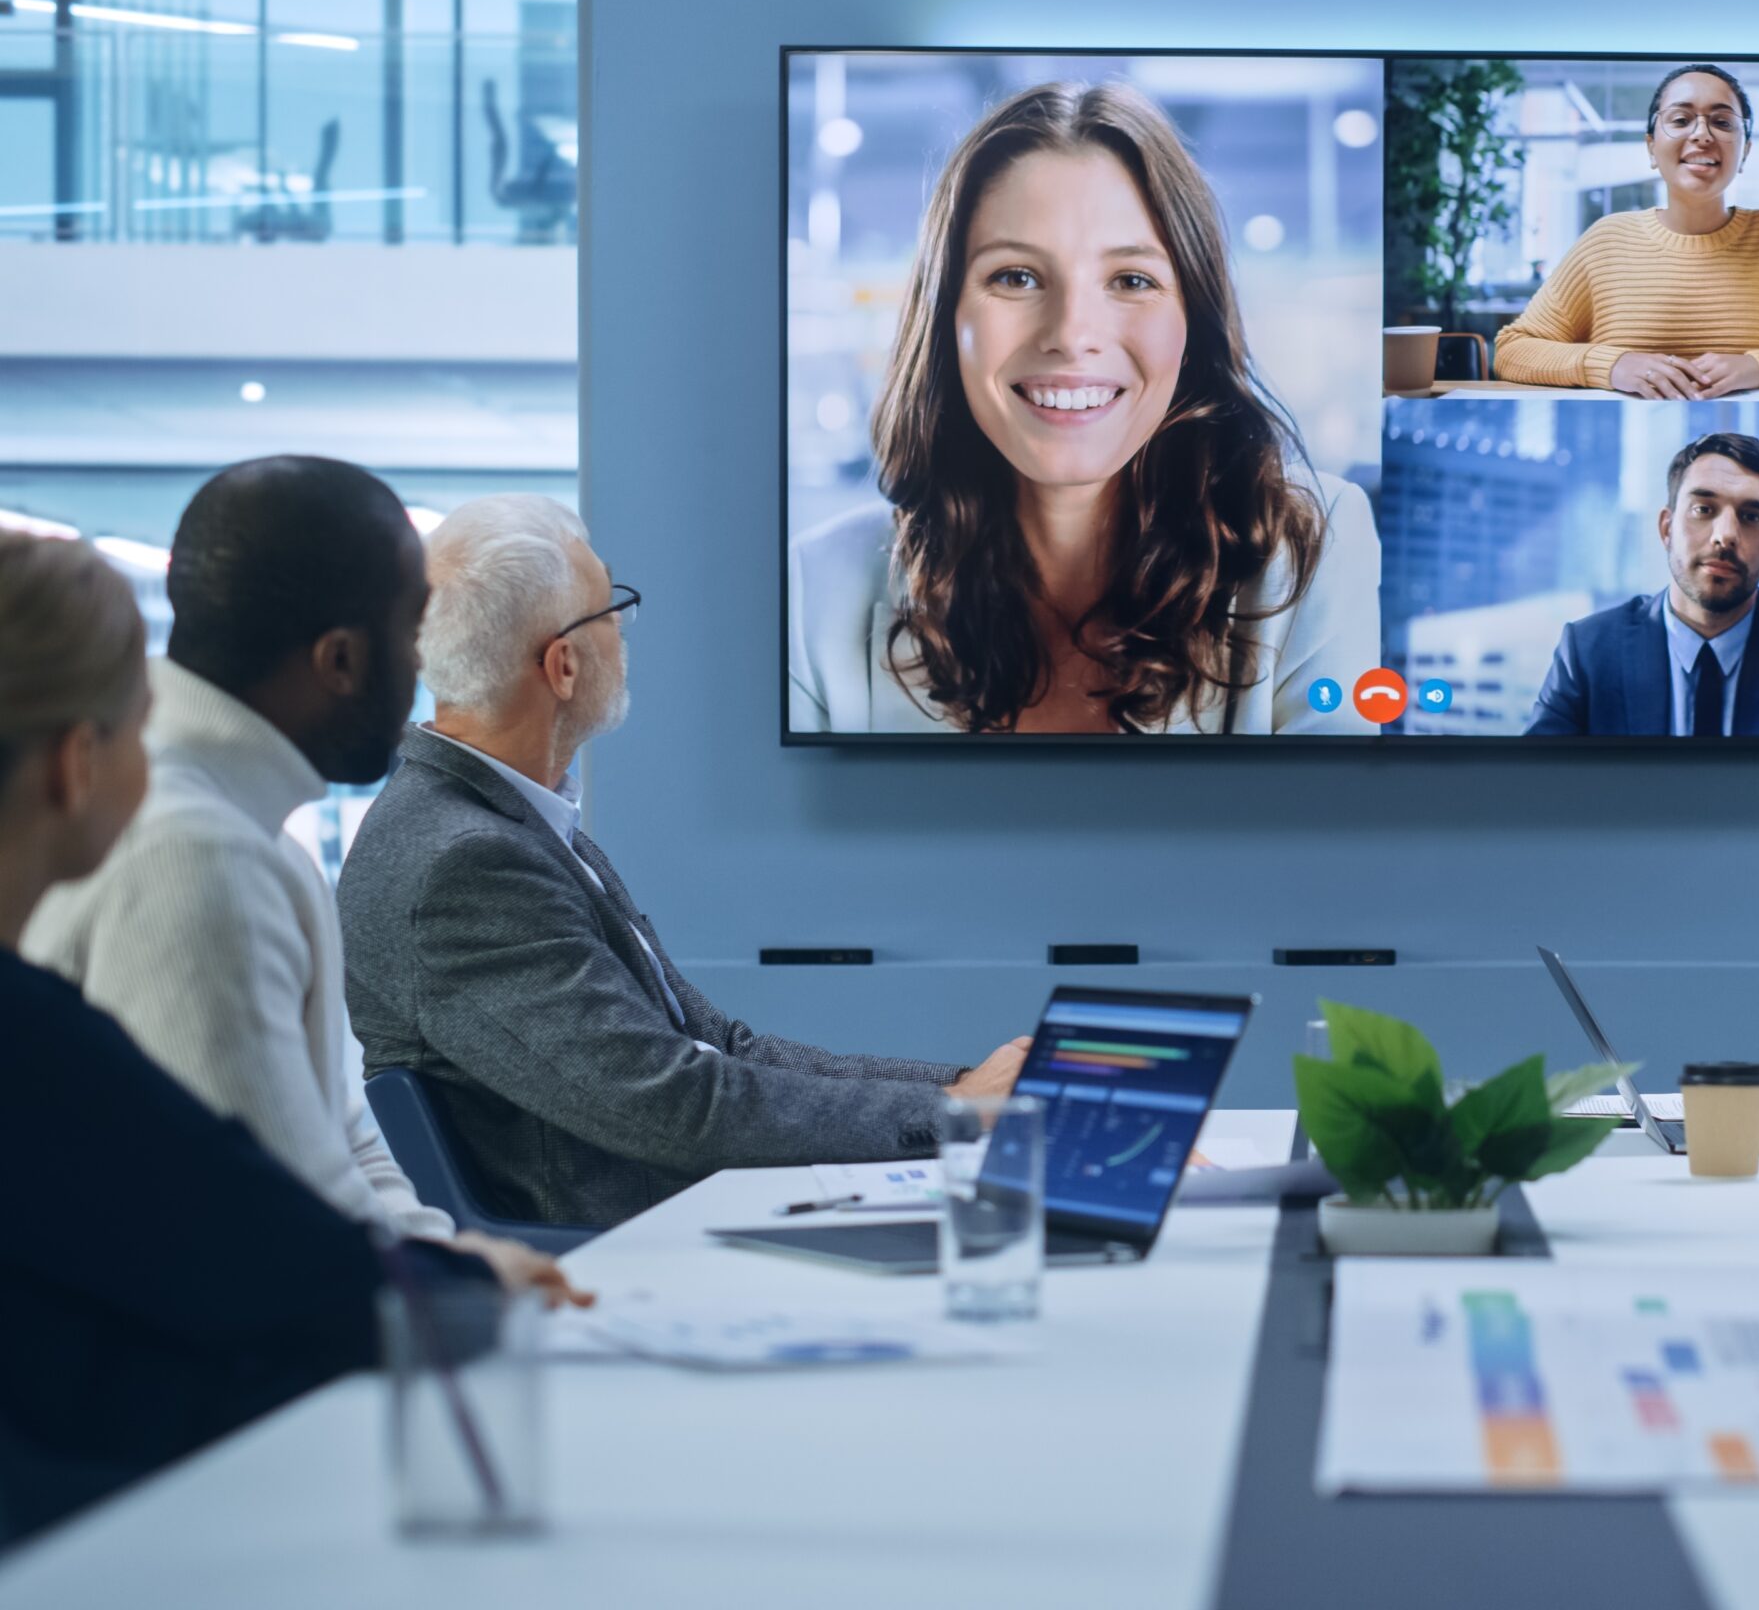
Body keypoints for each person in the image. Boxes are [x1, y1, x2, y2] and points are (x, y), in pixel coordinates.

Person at [0, 531, 558, 1545]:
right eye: (138, 722)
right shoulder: (53, 1011)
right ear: (78, 765)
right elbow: (255, 1252)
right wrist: (470, 1289)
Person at [344, 495, 1032, 1228]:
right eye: (612, 611)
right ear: (564, 665)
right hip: (616, 1253)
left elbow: (723, 1049)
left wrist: (964, 1090)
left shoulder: (509, 826)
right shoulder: (468, 862)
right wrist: (955, 1111)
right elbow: (678, 1108)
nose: (624, 632)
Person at [24, 459, 569, 1294]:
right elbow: (265, 1235)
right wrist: (466, 1297)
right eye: (410, 635)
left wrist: (463, 1267)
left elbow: (339, 1143)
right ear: (340, 661)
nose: (420, 673)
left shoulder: (254, 835)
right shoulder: (195, 855)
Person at [789, 80, 1379, 735]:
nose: (1071, 334)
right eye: (1016, 276)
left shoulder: (1313, 549)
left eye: (1131, 280)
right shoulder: (811, 592)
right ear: (947, 316)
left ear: (1194, 325)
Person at [1490, 63, 1759, 397]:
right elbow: (1512, 351)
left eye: (1722, 122)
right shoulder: (1606, 241)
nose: (1702, 134)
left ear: (1745, 152)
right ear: (1651, 147)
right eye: (1681, 119)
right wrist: (1612, 365)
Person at [1525, 432, 1759, 738]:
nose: (1725, 535)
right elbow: (1534, 785)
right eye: (1703, 509)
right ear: (1666, 528)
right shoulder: (1588, 650)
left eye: (1751, 517)